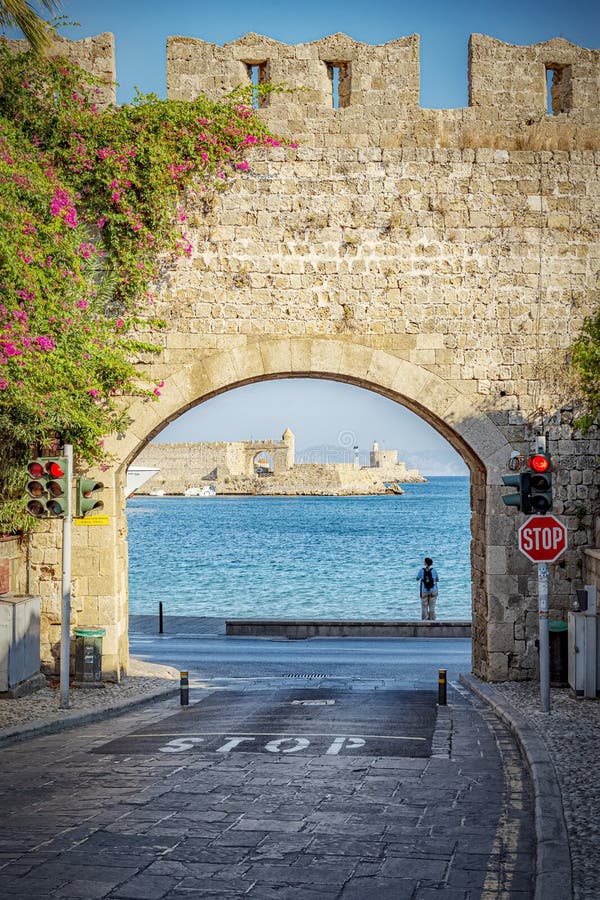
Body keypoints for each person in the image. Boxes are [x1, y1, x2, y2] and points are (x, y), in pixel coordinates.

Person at [416, 557, 439, 621]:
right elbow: (437, 579)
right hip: (433, 591)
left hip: (424, 591)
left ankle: (425, 621)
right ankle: (432, 620)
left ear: (425, 563)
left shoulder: (422, 570)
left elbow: (417, 578)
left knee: (424, 607)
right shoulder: (434, 570)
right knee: (432, 607)